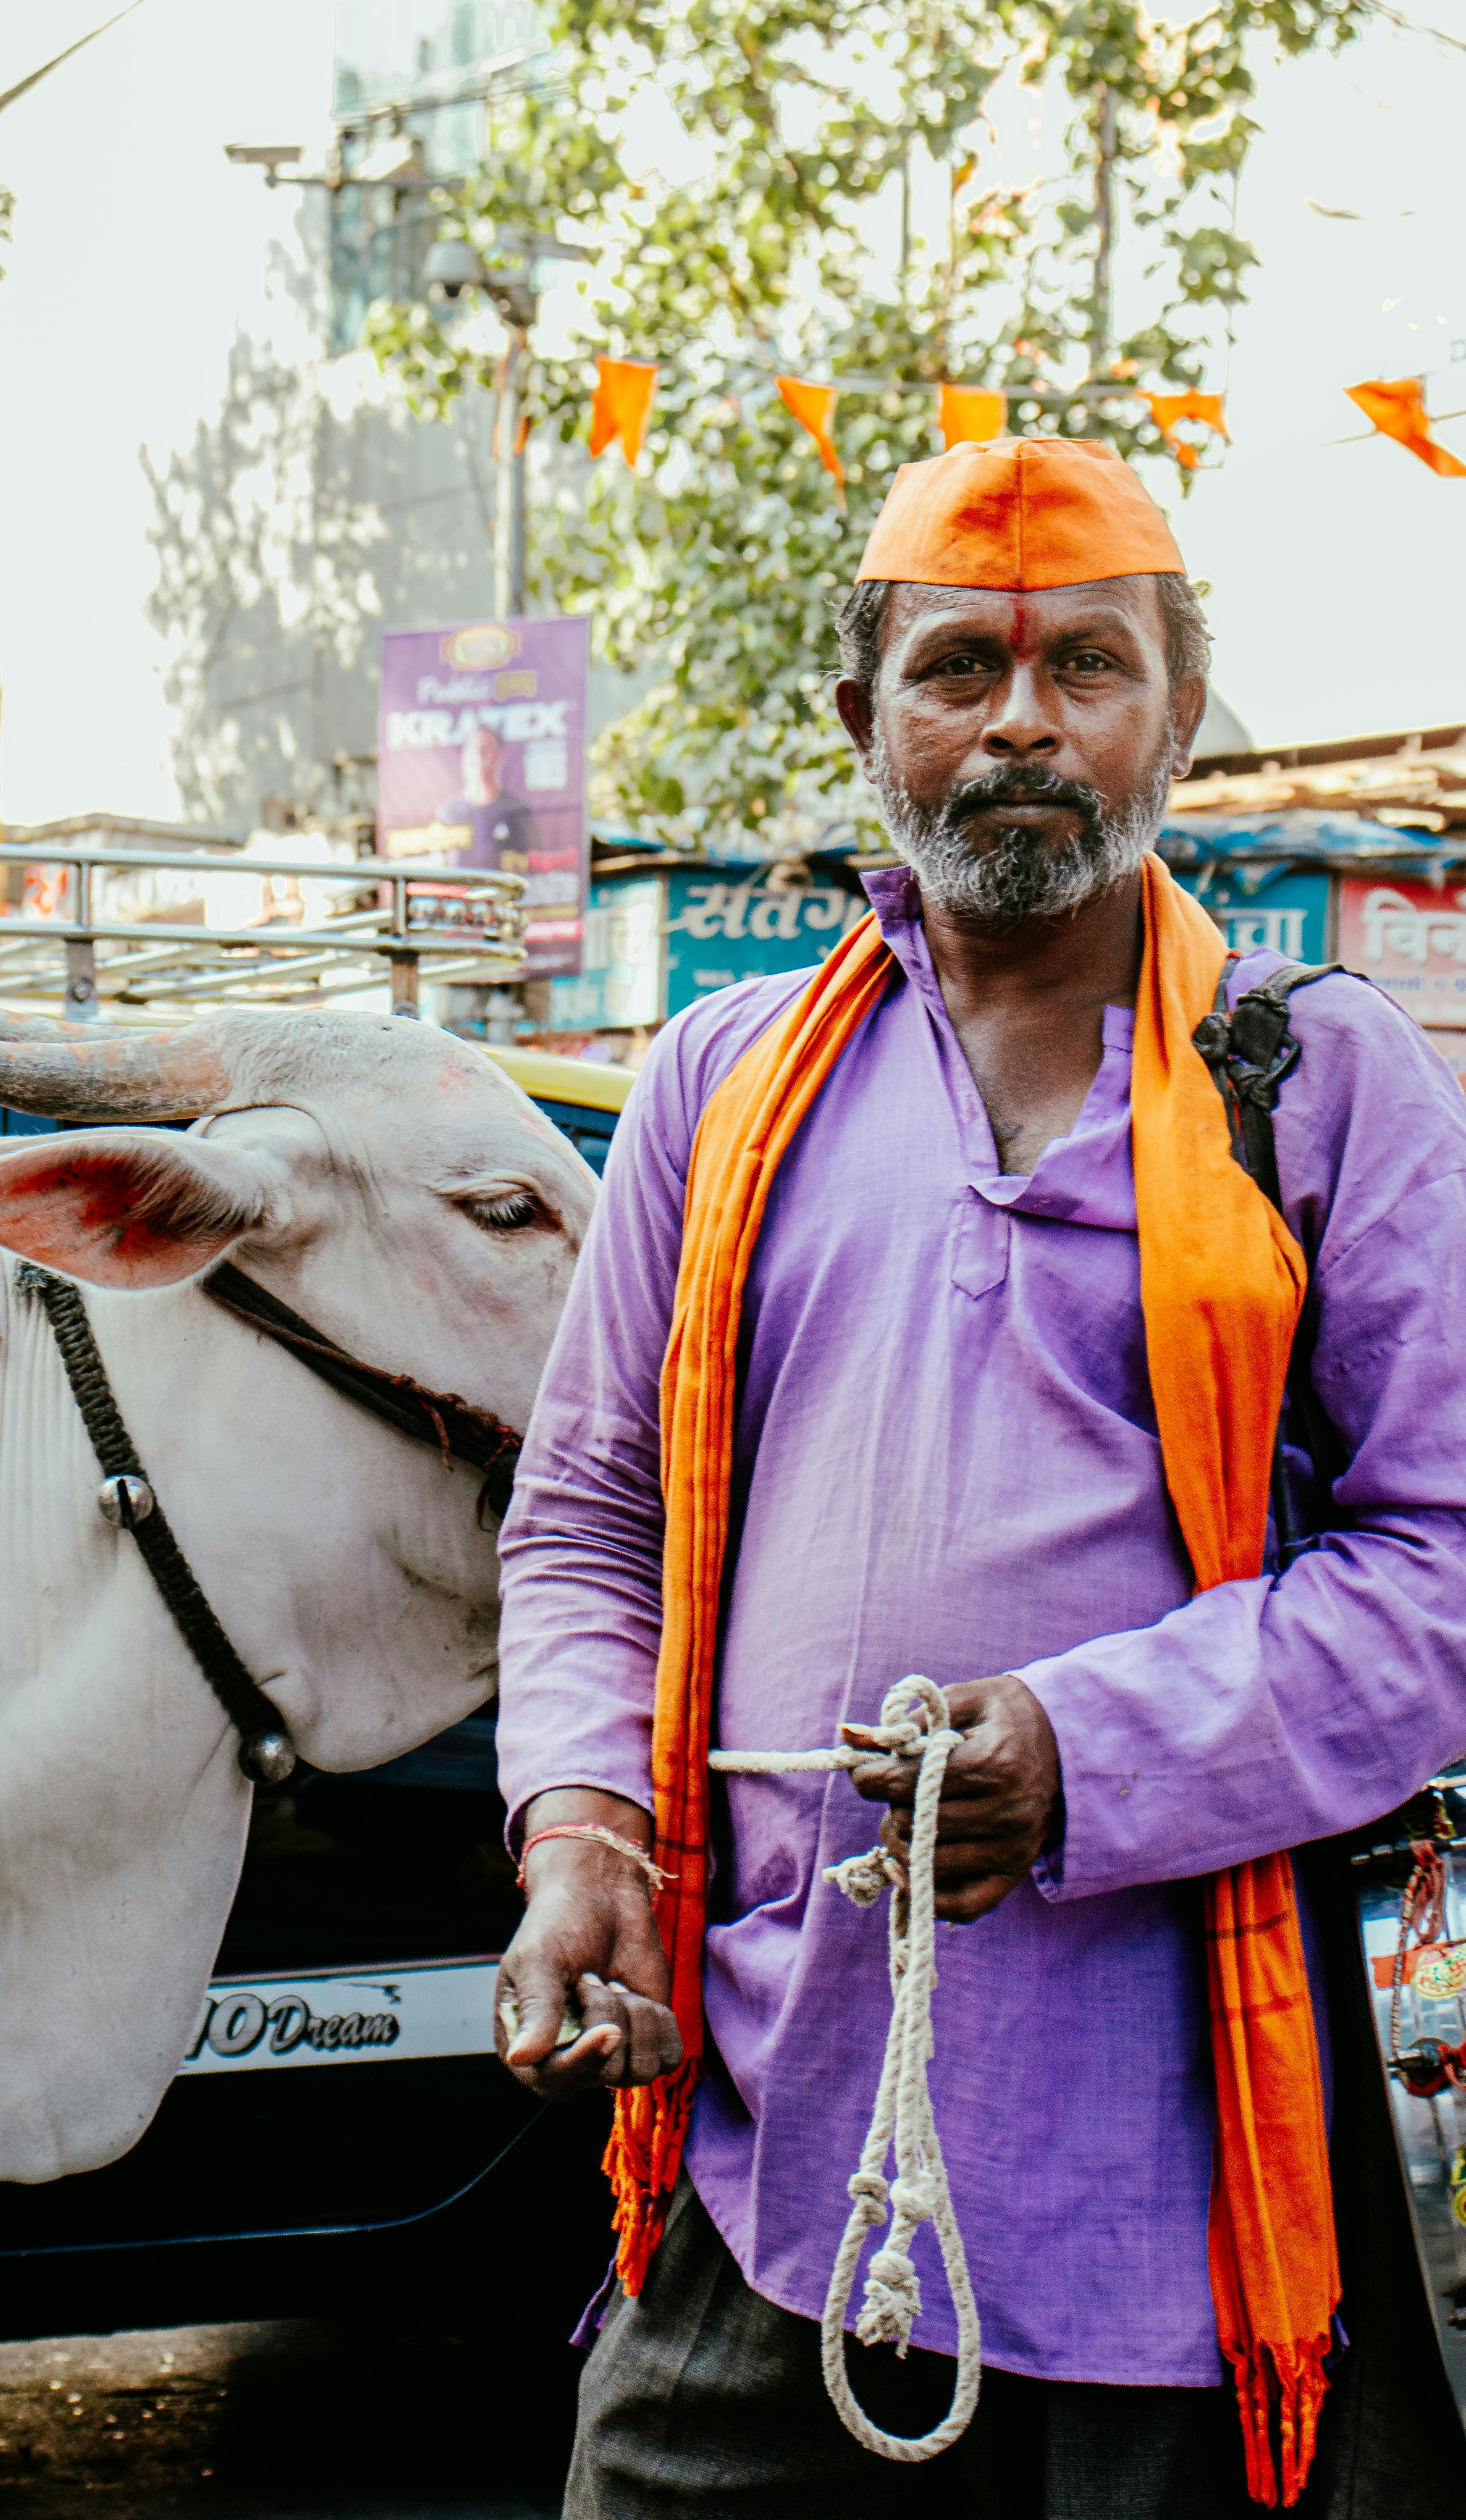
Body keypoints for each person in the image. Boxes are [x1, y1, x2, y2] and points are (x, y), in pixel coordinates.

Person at [491, 435, 1466, 2519]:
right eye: (955, 667)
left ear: (1171, 718)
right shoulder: (717, 1079)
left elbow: (1440, 1575)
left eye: (1084, 666)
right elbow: (590, 1527)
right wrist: (580, 1831)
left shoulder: (1314, 1083)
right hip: (767, 2139)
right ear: (863, 722)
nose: (1020, 719)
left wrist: (1085, 1755)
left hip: (1178, 2208)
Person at [435, 722, 535, 867]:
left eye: (486, 749)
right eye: (474, 749)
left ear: (499, 756)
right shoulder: (449, 813)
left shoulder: (517, 810)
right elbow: (439, 868)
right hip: (460, 891)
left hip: (502, 890)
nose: (479, 756)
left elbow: (531, 864)